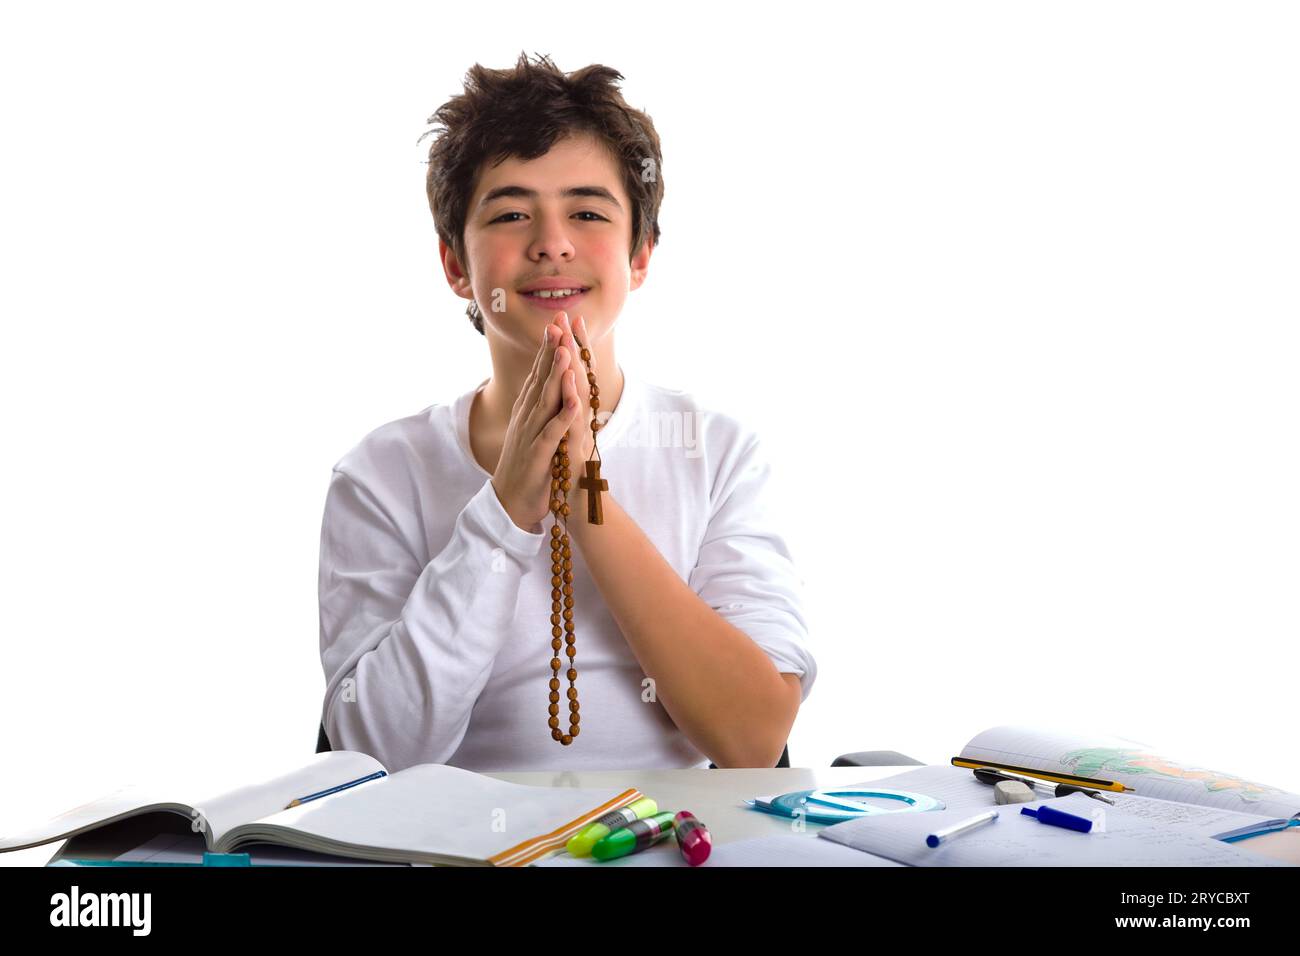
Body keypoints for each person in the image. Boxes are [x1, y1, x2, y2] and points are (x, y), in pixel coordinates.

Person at [317, 53, 815, 773]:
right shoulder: (382, 475)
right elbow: (374, 759)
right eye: (512, 214)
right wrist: (505, 510)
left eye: (587, 212)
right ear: (457, 265)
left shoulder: (719, 453)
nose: (551, 242)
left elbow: (751, 740)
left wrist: (585, 493)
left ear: (639, 255)